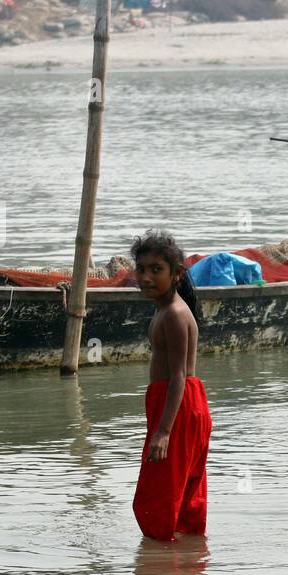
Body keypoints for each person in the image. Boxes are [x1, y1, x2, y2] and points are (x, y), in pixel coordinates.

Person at [131, 229, 213, 540]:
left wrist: (163, 432)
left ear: (175, 274)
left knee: (157, 502)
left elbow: (178, 375)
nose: (146, 277)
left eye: (156, 270)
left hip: (177, 407)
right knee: (178, 500)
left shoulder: (175, 314)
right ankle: (187, 570)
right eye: (141, 269)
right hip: (178, 406)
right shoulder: (166, 311)